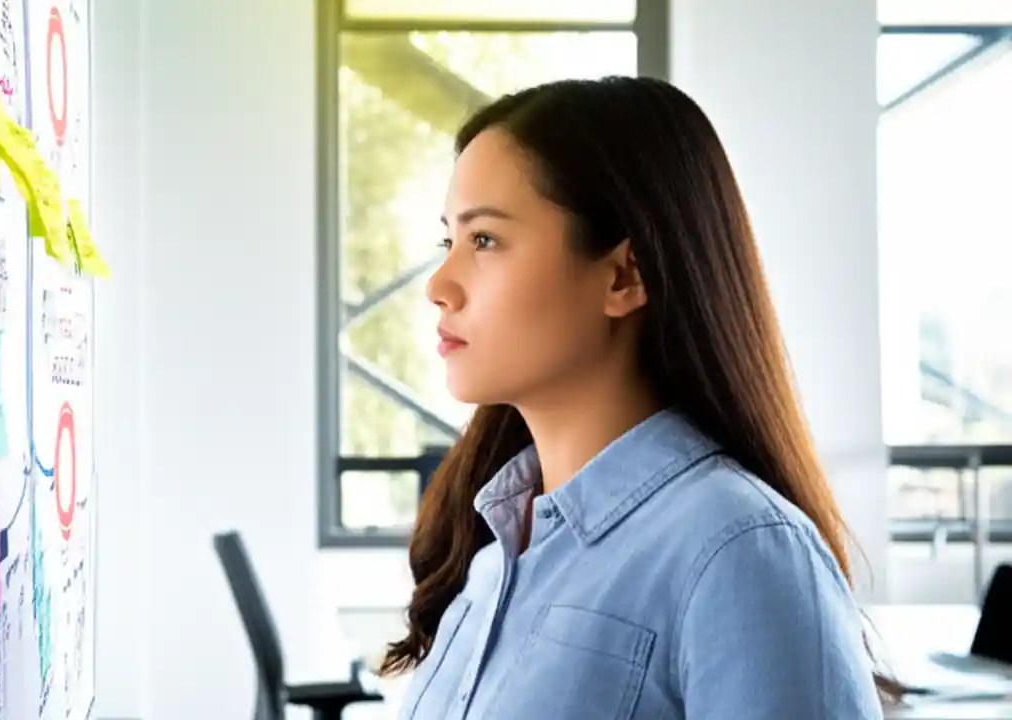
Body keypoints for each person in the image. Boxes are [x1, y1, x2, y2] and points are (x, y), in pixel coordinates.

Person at [381, 77, 892, 719]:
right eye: (447, 241)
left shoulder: (740, 552)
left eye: (484, 240)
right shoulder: (495, 554)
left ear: (624, 275)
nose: (439, 284)